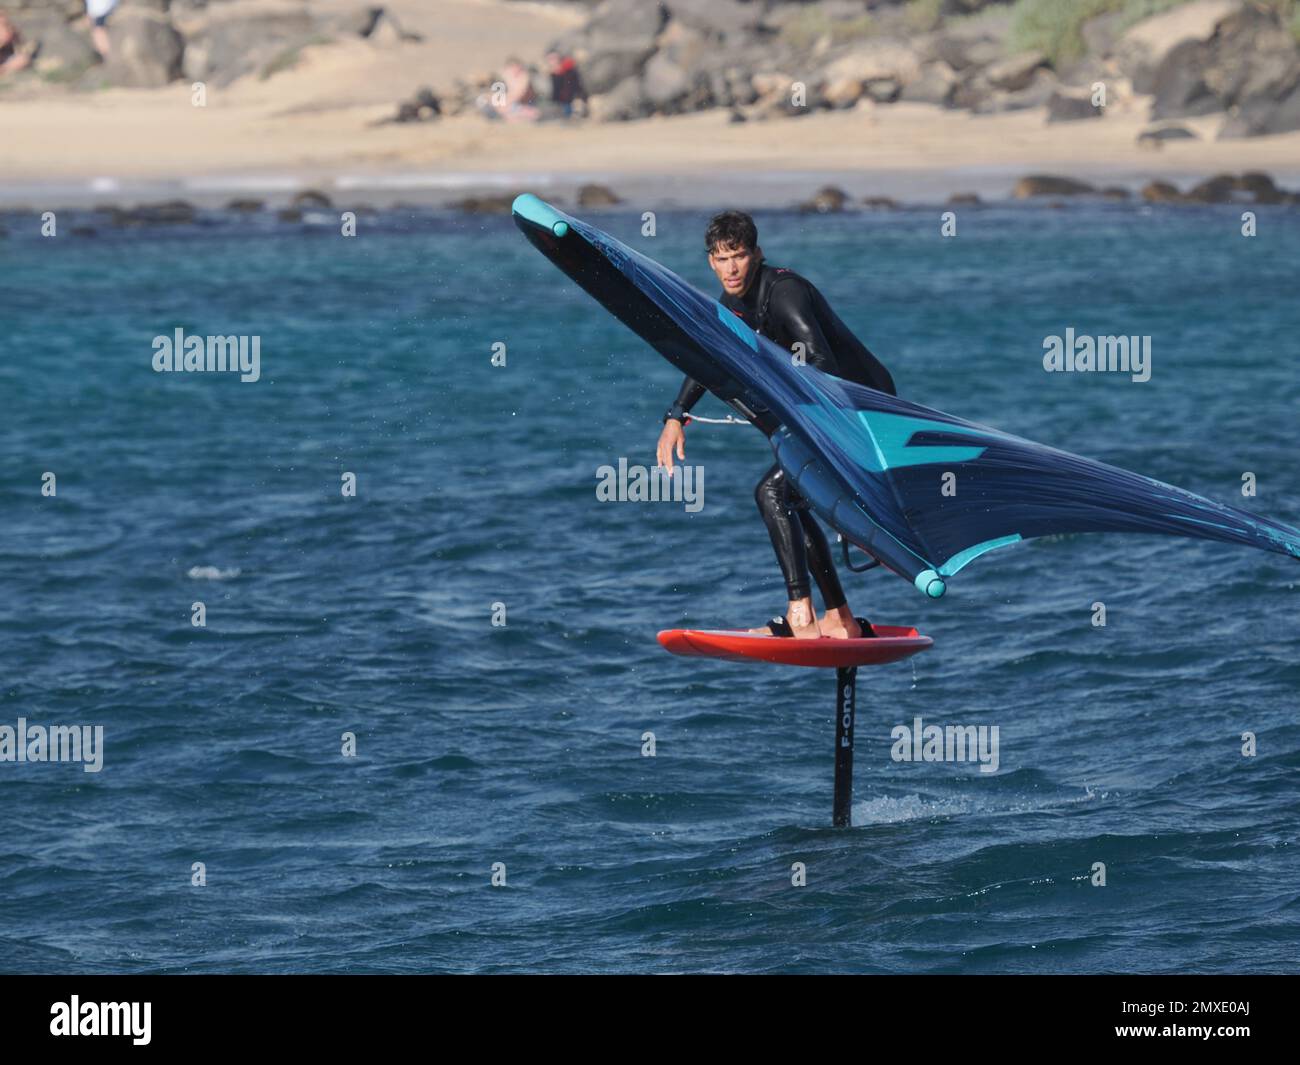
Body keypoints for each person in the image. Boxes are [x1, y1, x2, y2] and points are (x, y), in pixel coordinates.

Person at [655, 211, 897, 640]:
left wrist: (805, 425)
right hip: (829, 417)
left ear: (757, 255)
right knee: (791, 499)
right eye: (721, 257)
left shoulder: (785, 294)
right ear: (710, 262)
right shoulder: (731, 306)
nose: (731, 268)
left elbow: (822, 364)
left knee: (771, 492)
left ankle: (800, 613)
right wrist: (677, 415)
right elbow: (710, 359)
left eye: (740, 256)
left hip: (862, 413)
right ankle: (839, 619)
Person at [545, 50, 587, 118]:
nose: (552, 61)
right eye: (549, 59)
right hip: (558, 104)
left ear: (559, 59)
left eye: (553, 59)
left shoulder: (568, 71)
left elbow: (575, 88)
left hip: (570, 103)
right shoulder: (550, 74)